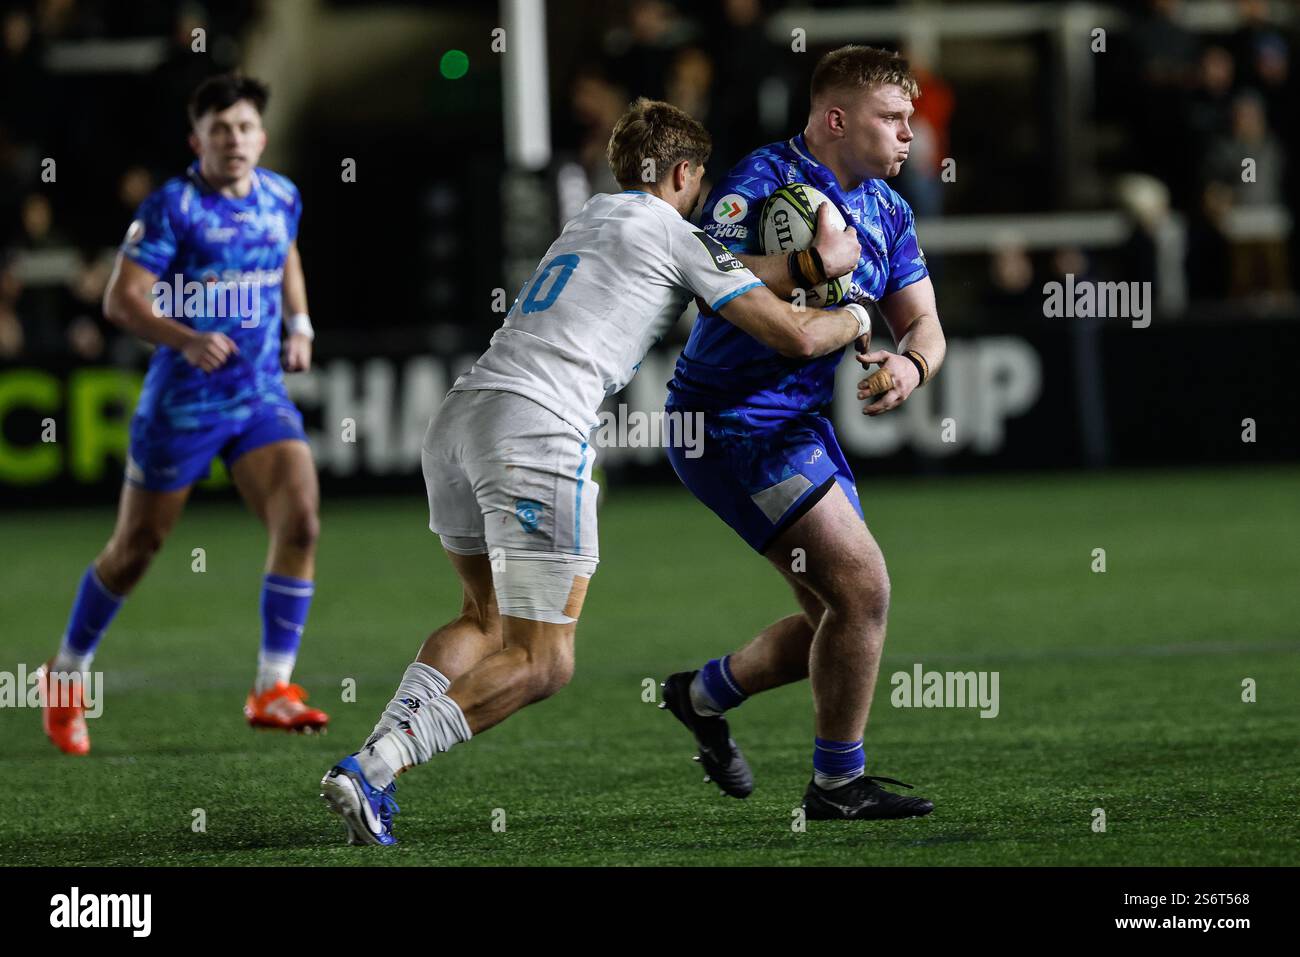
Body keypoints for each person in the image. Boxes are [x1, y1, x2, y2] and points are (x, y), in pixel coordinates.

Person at [319, 97, 876, 846]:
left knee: (482, 619)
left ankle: (367, 767)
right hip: (537, 431)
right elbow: (798, 338)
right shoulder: (676, 235)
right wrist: (857, 313)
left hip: (460, 416)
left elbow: (730, 268)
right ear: (684, 173)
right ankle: (372, 768)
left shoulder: (589, 220)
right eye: (700, 182)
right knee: (543, 662)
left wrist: (808, 264)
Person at [661, 45, 947, 821]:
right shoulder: (758, 184)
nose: (907, 136)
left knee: (834, 618)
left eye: (908, 121)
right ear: (834, 119)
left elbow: (924, 323)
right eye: (890, 119)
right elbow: (712, 280)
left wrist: (911, 369)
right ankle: (836, 785)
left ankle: (699, 693)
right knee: (865, 591)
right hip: (724, 422)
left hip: (798, 423)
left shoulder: (889, 209)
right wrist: (820, 276)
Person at [38, 73, 327, 755]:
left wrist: (301, 322)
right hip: (183, 404)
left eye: (246, 127)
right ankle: (66, 673)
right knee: (136, 550)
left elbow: (284, 250)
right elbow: (121, 299)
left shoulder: (282, 195)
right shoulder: (173, 208)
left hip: (257, 395)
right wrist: (187, 337)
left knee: (303, 519)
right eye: (220, 129)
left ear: (261, 136)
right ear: (196, 138)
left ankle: (272, 686)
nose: (235, 139)